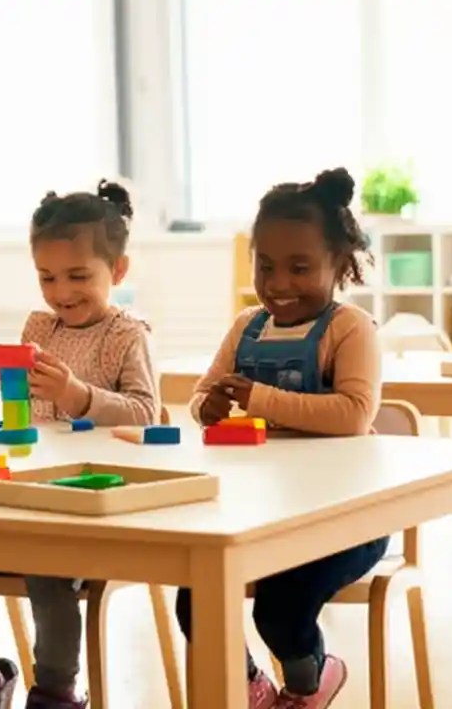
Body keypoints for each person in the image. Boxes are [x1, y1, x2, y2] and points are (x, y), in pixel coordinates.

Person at [0, 180, 157, 709]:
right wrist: (5, 380)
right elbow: (28, 408)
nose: (61, 292)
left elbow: (146, 413)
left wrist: (79, 396)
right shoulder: (40, 326)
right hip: (27, 492)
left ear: (117, 271)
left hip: (90, 504)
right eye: (47, 277)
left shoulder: (128, 335)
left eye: (78, 276)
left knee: (47, 577)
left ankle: (55, 692)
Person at [184, 168, 387, 709]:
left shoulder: (351, 330)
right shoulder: (247, 325)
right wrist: (208, 407)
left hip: (347, 520)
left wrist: (258, 399)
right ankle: (250, 688)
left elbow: (354, 414)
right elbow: (204, 396)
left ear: (339, 265)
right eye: (265, 266)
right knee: (194, 599)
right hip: (260, 514)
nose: (278, 284)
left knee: (280, 606)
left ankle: (308, 684)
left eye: (300, 268)